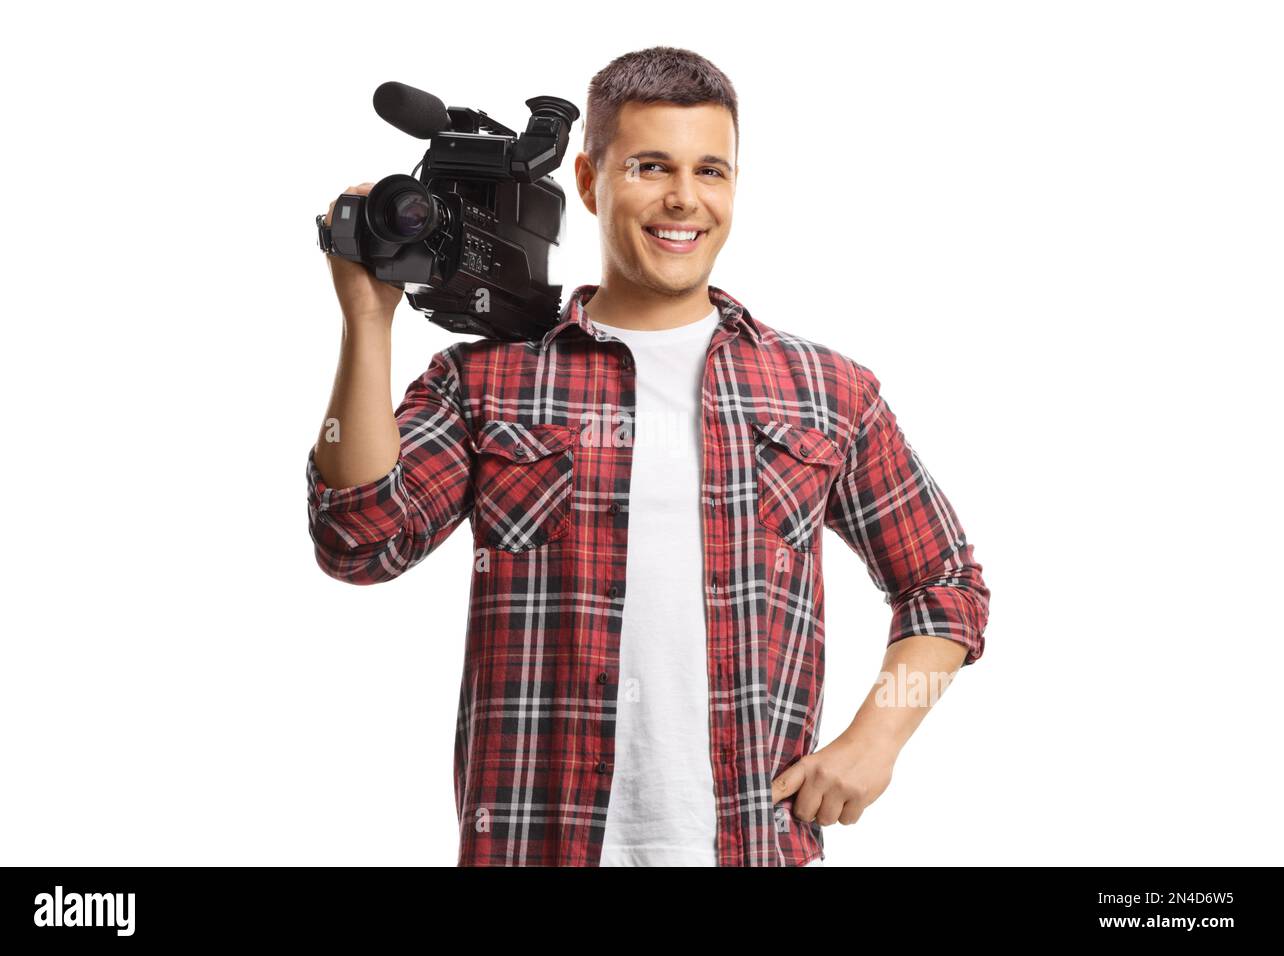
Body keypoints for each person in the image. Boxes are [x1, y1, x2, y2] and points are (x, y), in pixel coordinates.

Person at [305, 46, 990, 867]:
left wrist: (876, 743)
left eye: (712, 171)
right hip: (537, 849)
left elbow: (945, 585)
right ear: (591, 183)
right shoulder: (486, 380)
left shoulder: (824, 390)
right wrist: (368, 321)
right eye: (651, 166)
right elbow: (359, 541)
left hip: (751, 848)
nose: (684, 200)